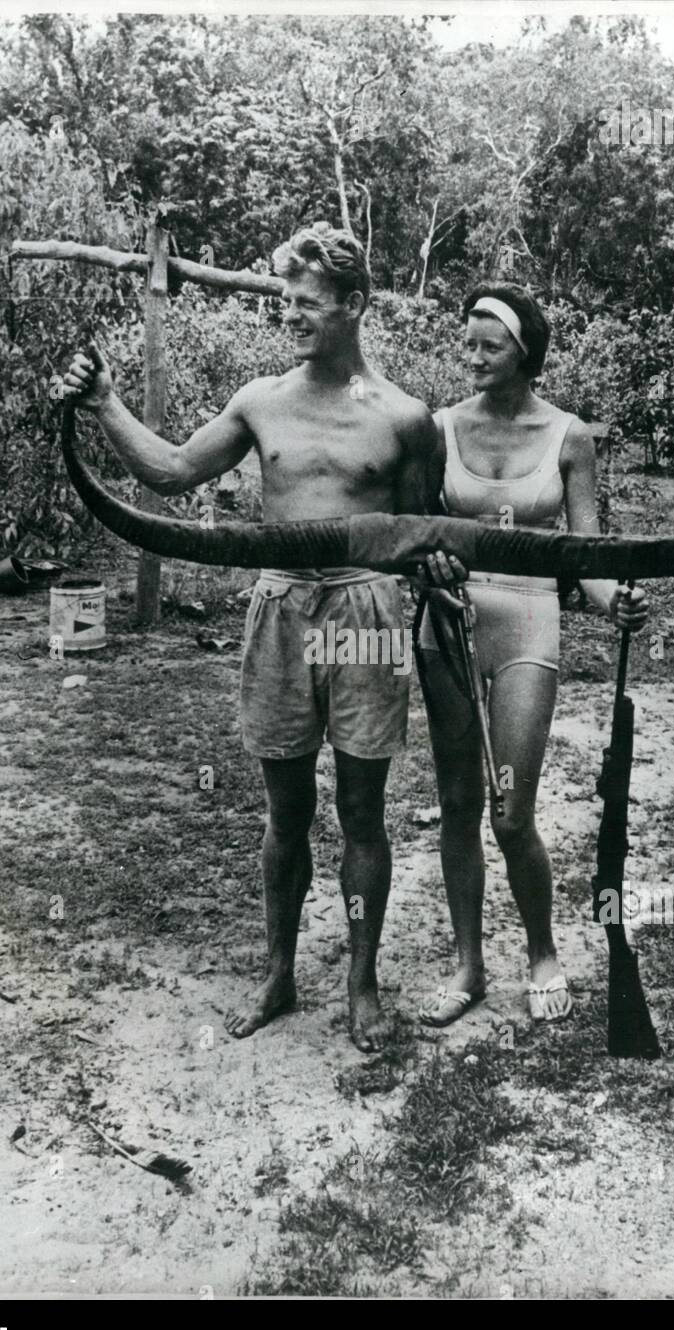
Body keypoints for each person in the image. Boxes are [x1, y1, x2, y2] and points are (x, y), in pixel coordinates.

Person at [60, 223, 442, 1052]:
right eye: (285, 300)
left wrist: (438, 580)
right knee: (285, 811)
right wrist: (104, 403)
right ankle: (278, 972)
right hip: (280, 613)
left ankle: (363, 983)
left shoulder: (408, 419)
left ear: (354, 305)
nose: (290, 315)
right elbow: (168, 471)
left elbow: (422, 538)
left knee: (363, 811)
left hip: (367, 616)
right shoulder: (260, 399)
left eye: (306, 303)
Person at [414, 283, 649, 1027]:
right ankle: (468, 965)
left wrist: (618, 602)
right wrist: (432, 571)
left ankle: (542, 952)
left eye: (492, 345)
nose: (474, 356)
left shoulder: (569, 436)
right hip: (448, 624)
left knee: (511, 811)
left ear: (527, 353)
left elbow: (585, 555)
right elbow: (417, 537)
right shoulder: (437, 428)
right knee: (457, 803)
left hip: (528, 618)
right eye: (469, 342)